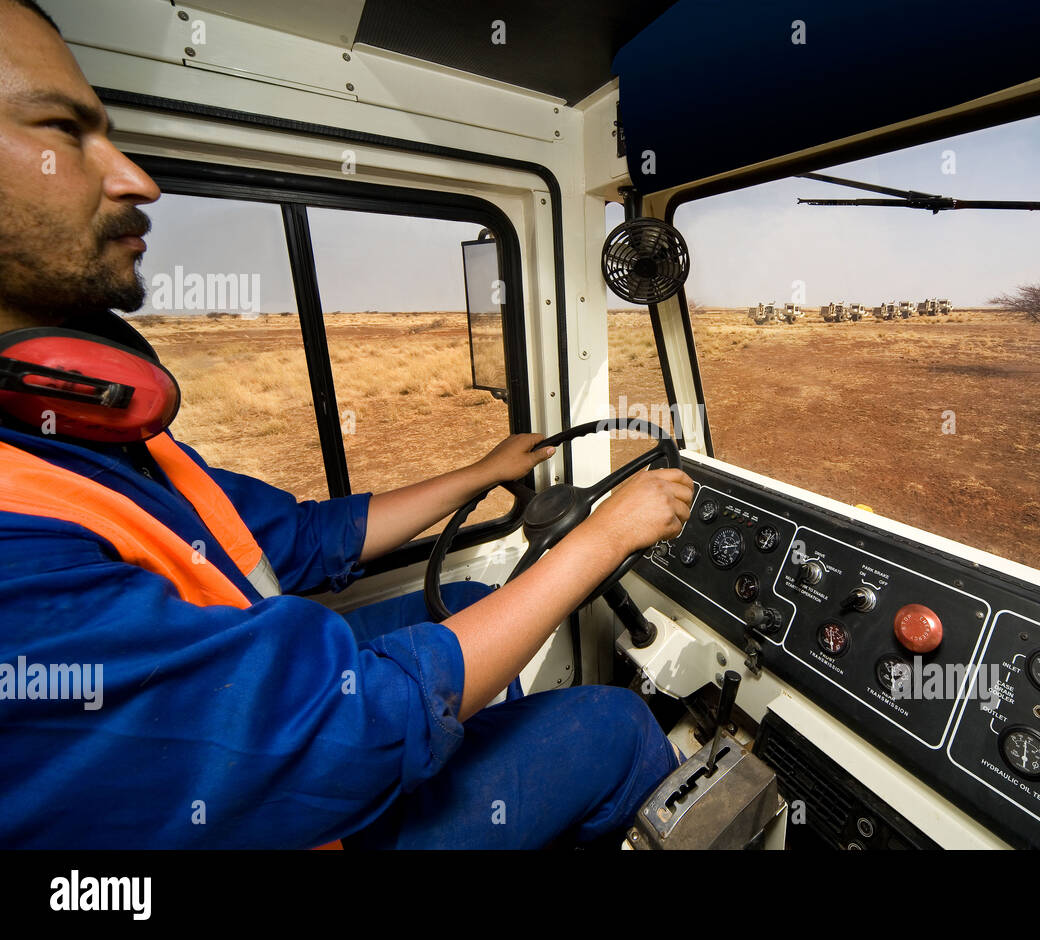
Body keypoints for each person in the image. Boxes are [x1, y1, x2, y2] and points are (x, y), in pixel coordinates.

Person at [0, 0, 694, 849]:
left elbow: (300, 538)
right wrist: (604, 539)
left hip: (259, 697)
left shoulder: (79, 444)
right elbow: (346, 735)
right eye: (64, 130)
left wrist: (481, 473)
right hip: (297, 809)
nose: (139, 179)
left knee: (475, 600)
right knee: (617, 726)